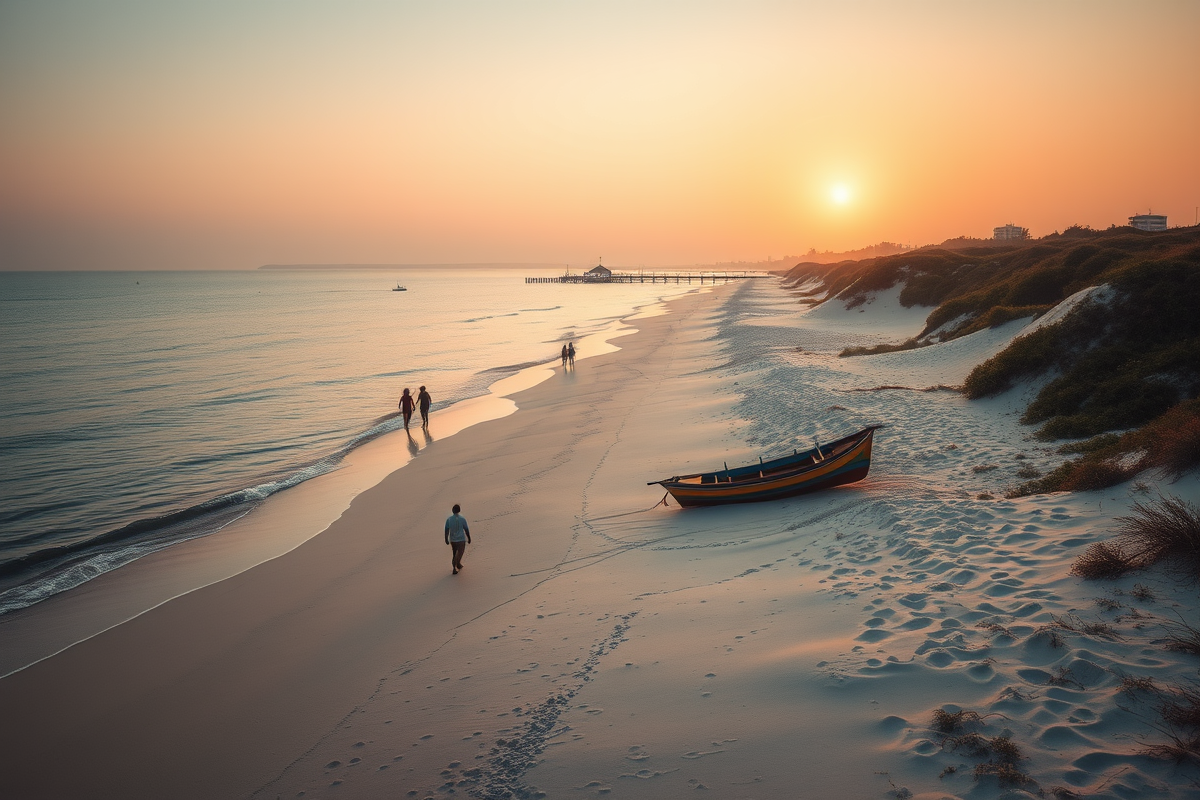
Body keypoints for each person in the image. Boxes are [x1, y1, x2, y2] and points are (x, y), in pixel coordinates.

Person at [444, 503, 471, 574]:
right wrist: (469, 538)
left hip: (453, 539)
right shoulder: (462, 519)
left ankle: (456, 566)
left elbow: (446, 529)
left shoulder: (449, 519)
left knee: (454, 553)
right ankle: (457, 564)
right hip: (461, 539)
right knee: (460, 552)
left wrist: (446, 538)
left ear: (453, 510)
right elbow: (466, 529)